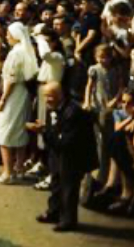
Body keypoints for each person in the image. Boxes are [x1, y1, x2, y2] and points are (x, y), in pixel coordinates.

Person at [28, 82, 98, 232]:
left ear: (59, 96)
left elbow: (66, 141)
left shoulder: (73, 112)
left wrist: (43, 131)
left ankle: (69, 220)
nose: (47, 100)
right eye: (45, 96)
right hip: (59, 150)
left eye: (49, 96)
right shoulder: (55, 107)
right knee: (56, 182)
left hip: (73, 153)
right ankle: (54, 212)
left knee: (69, 187)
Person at [0, 21, 39, 184]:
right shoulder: (26, 51)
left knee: (4, 133)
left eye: (9, 34)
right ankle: (19, 169)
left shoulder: (15, 53)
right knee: (20, 131)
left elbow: (11, 79)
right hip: (23, 94)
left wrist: (3, 99)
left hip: (13, 95)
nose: (6, 36)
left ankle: (7, 172)